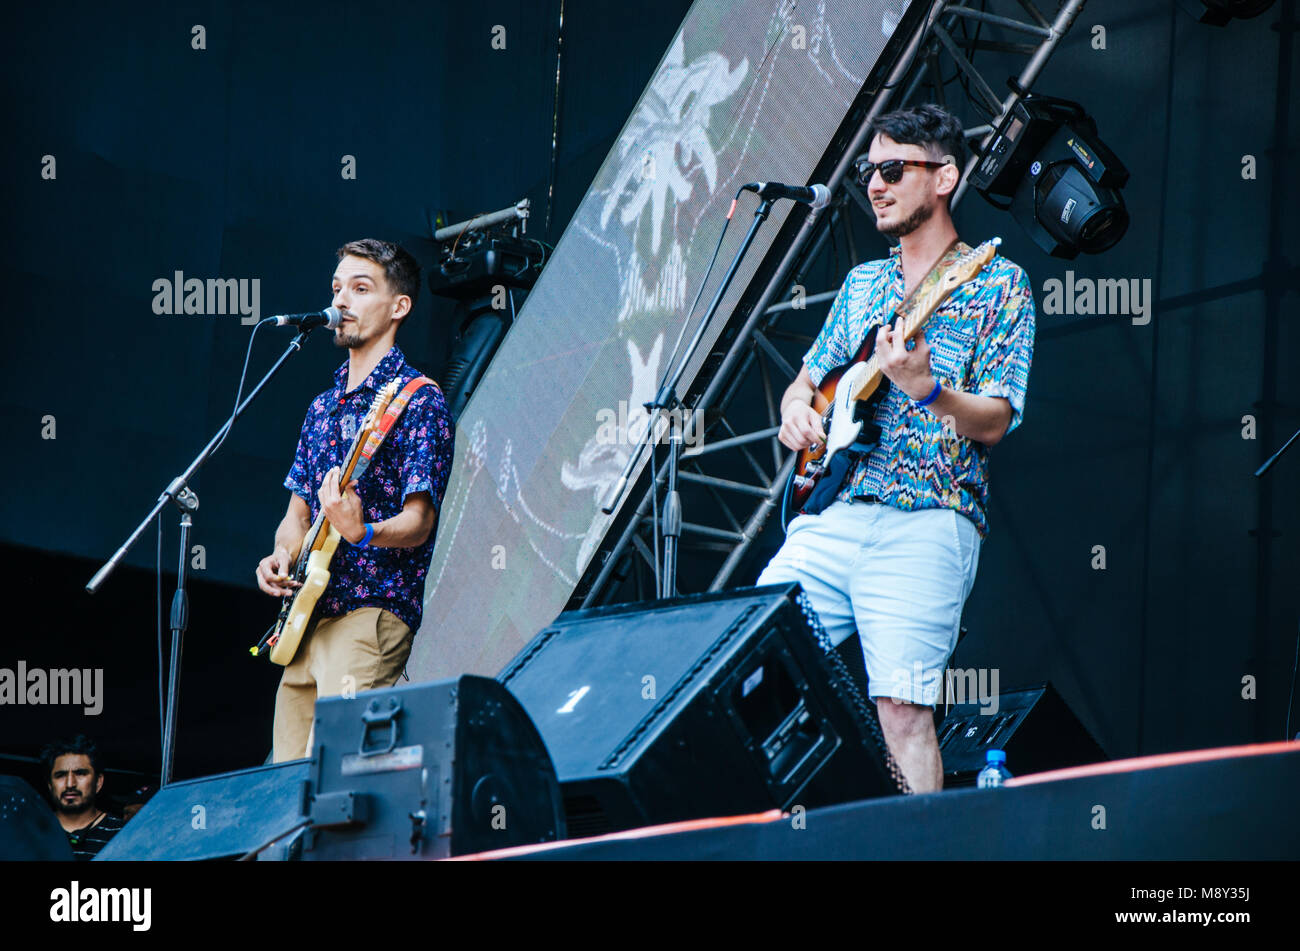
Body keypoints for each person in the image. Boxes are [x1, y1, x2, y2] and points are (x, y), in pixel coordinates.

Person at [757, 104, 1035, 793]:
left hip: (930, 519)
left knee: (904, 713)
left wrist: (928, 389)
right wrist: (795, 415)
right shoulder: (863, 285)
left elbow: (996, 419)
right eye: (867, 171)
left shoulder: (999, 283)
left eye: (891, 170)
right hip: (837, 511)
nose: (874, 186)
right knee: (750, 663)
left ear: (944, 178)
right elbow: (808, 382)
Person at [256, 239, 455, 762]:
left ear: (399, 307)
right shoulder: (321, 408)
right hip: (305, 618)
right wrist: (282, 556)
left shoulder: (418, 399)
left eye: (360, 288)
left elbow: (419, 521)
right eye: (336, 288)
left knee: (336, 781)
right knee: (282, 786)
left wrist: (363, 531)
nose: (341, 300)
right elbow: (294, 516)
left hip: (369, 613)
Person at [41, 735, 125, 860]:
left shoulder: (122, 833)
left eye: (80, 773)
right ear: (50, 785)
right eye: (61, 775)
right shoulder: (30, 832)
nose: (70, 784)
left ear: (98, 782)